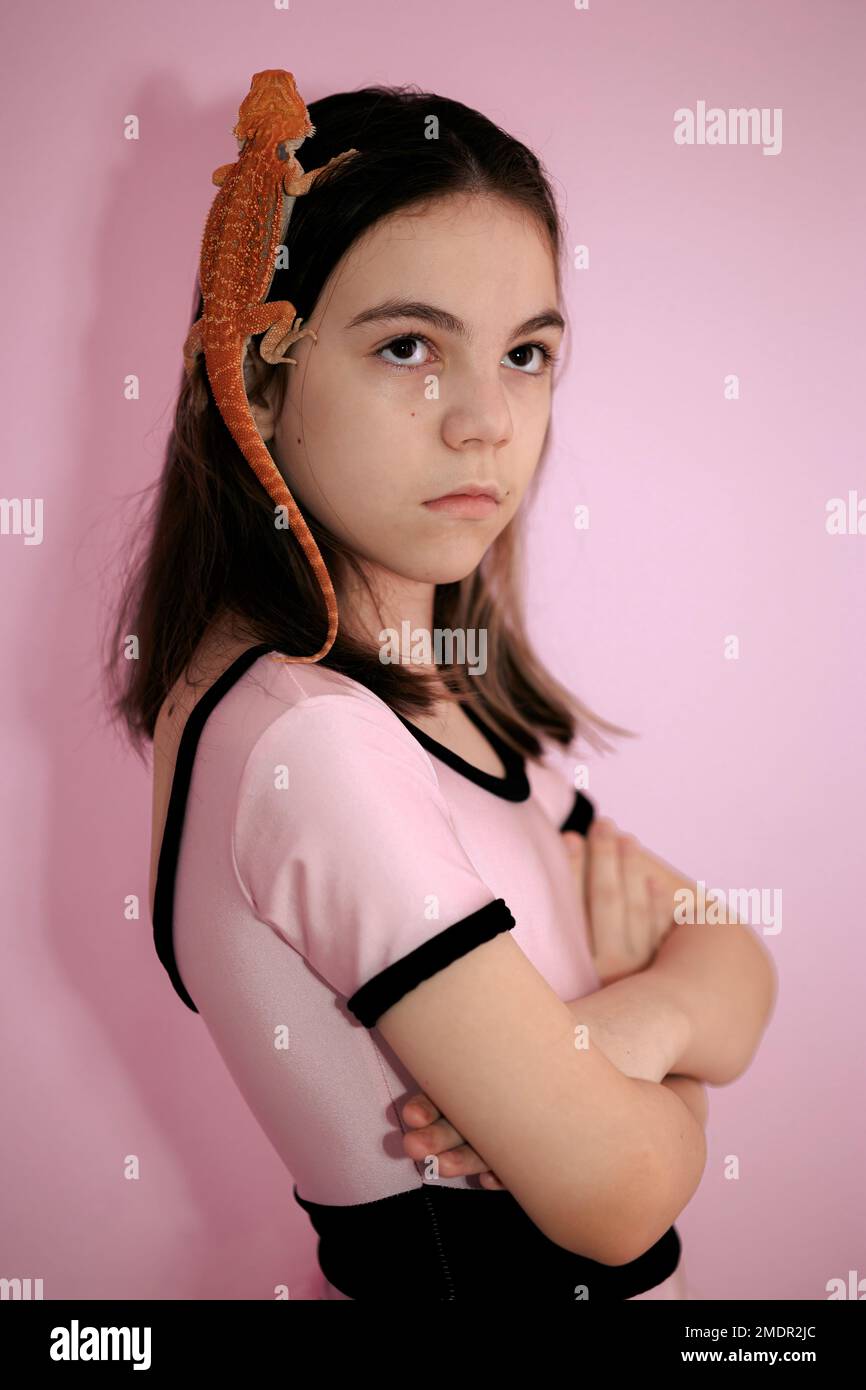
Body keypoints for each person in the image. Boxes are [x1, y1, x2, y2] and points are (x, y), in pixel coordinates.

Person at [105, 84, 775, 1300]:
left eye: (525, 354)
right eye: (407, 347)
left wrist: (629, 1032)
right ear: (257, 378)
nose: (484, 420)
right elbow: (617, 1199)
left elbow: (737, 962)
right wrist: (675, 1088)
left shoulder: (442, 708)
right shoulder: (308, 741)